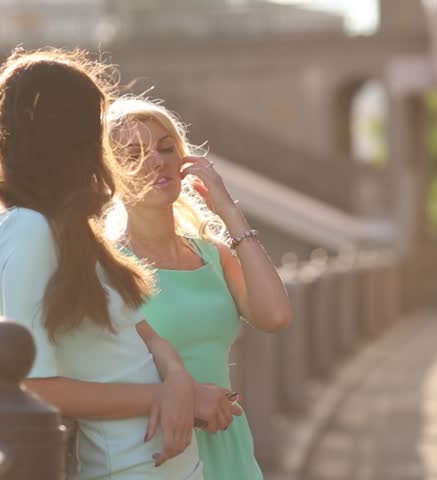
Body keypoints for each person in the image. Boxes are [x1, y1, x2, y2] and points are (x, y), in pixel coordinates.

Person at [0, 49, 218, 479]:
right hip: (128, 468)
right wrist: (167, 398)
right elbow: (36, 385)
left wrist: (178, 379)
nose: (100, 143)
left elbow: (145, 335)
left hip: (171, 465)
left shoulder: (69, 228)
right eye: (92, 125)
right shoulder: (27, 230)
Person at [106, 97, 293, 480]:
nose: (156, 161)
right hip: (158, 453)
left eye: (165, 148)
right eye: (134, 153)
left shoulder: (213, 256)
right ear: (111, 173)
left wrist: (228, 210)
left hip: (229, 447)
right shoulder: (107, 266)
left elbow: (275, 316)